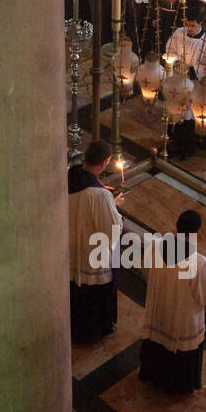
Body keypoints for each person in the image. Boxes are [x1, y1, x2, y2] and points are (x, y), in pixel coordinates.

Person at [138, 209, 206, 394]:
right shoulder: (197, 263)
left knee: (157, 342)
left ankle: (153, 374)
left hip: (158, 311)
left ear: (177, 226)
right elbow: (205, 296)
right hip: (182, 321)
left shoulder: (155, 246)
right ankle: (177, 386)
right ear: (197, 232)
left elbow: (145, 271)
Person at [67, 139, 123, 343]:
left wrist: (108, 200)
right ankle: (93, 333)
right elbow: (112, 229)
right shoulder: (98, 194)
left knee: (78, 296)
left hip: (72, 248)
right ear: (105, 162)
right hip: (92, 254)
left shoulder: (71, 177)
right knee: (93, 298)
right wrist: (113, 206)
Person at [163, 4, 206, 160]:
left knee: (189, 116)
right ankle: (174, 143)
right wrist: (174, 62)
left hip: (195, 85)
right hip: (178, 82)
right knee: (175, 111)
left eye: (192, 25)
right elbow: (169, 51)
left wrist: (192, 69)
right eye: (186, 24)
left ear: (201, 24)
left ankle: (187, 149)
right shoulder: (179, 33)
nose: (189, 28)